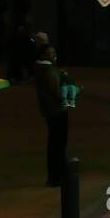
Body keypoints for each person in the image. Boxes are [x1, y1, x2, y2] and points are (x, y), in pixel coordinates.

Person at [33, 42, 71, 187]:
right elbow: (56, 91)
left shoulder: (45, 69)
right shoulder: (47, 70)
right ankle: (57, 175)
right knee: (58, 143)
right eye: (50, 53)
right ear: (43, 55)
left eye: (54, 52)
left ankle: (56, 174)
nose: (54, 55)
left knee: (55, 143)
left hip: (51, 110)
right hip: (56, 110)